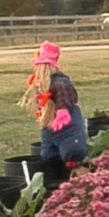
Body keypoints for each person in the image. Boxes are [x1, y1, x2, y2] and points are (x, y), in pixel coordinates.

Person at [18, 41, 87, 173]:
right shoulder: (42, 86)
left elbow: (63, 98)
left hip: (67, 129)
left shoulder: (60, 83)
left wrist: (62, 111)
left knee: (72, 151)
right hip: (50, 129)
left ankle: (78, 173)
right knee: (49, 157)